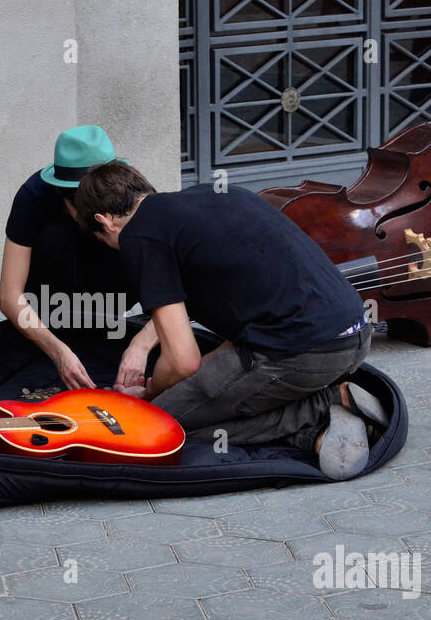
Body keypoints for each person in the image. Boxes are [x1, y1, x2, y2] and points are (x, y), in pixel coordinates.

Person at [72, 162, 390, 479]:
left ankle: (322, 407)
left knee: (158, 423)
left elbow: (183, 361)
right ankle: (330, 411)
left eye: (105, 243)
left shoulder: (138, 237)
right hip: (355, 333)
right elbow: (242, 325)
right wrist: (142, 349)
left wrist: (150, 396)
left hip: (304, 354)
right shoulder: (217, 197)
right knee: (209, 393)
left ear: (106, 222)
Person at [0, 125, 158, 392]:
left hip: (109, 304)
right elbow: (9, 296)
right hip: (50, 306)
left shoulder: (134, 198)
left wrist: (140, 345)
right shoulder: (33, 197)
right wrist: (58, 351)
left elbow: (173, 295)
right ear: (66, 199)